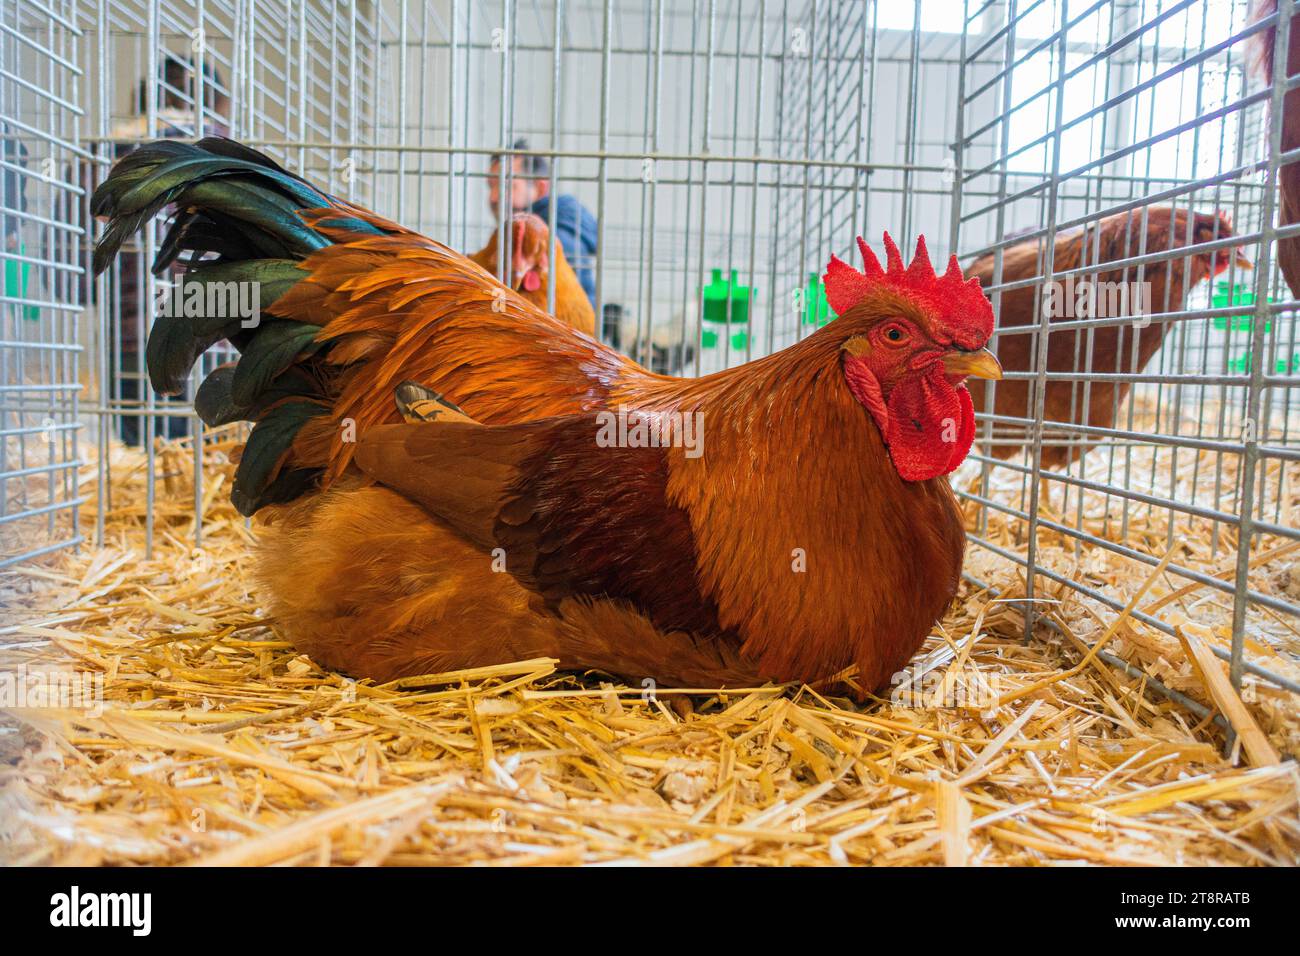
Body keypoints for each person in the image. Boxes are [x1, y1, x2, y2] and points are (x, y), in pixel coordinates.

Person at [488, 138, 598, 311]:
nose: (493, 197)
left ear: (540, 188)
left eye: (506, 186)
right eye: (491, 186)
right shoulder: (549, 225)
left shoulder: (557, 237)